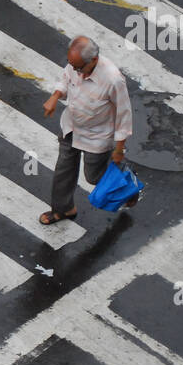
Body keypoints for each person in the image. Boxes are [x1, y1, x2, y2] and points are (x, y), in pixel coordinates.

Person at [39, 35, 135, 224]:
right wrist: (55, 96)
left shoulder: (113, 80)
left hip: (96, 137)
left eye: (80, 68)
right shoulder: (76, 65)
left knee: (94, 177)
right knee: (63, 170)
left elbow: (124, 114)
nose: (77, 72)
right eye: (72, 65)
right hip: (71, 127)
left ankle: (127, 184)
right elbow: (66, 78)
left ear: (94, 60)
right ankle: (63, 209)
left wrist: (119, 148)